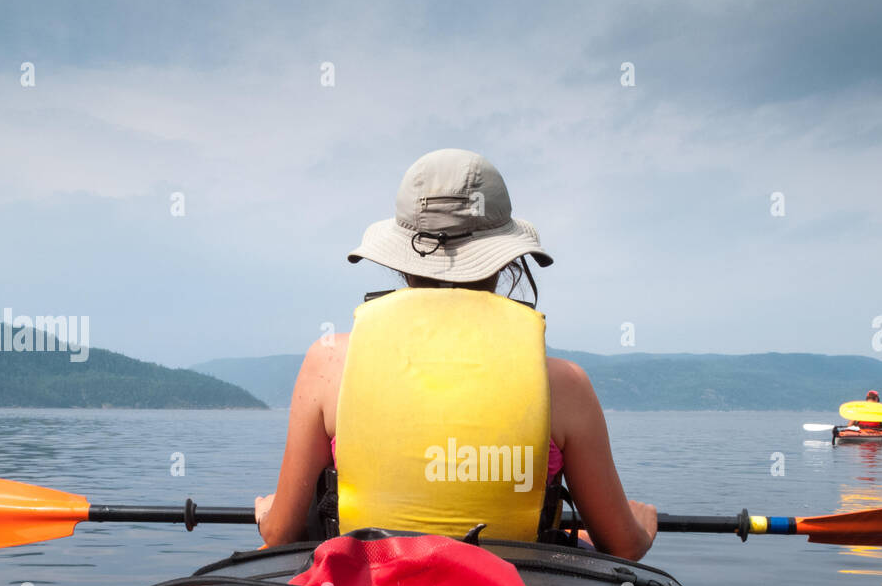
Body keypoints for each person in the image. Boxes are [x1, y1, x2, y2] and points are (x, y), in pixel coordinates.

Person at [254, 149, 658, 561]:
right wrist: (640, 526)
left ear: (401, 260)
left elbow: (282, 533)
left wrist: (268, 513)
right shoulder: (565, 384)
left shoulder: (328, 363)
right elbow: (623, 546)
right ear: (504, 262)